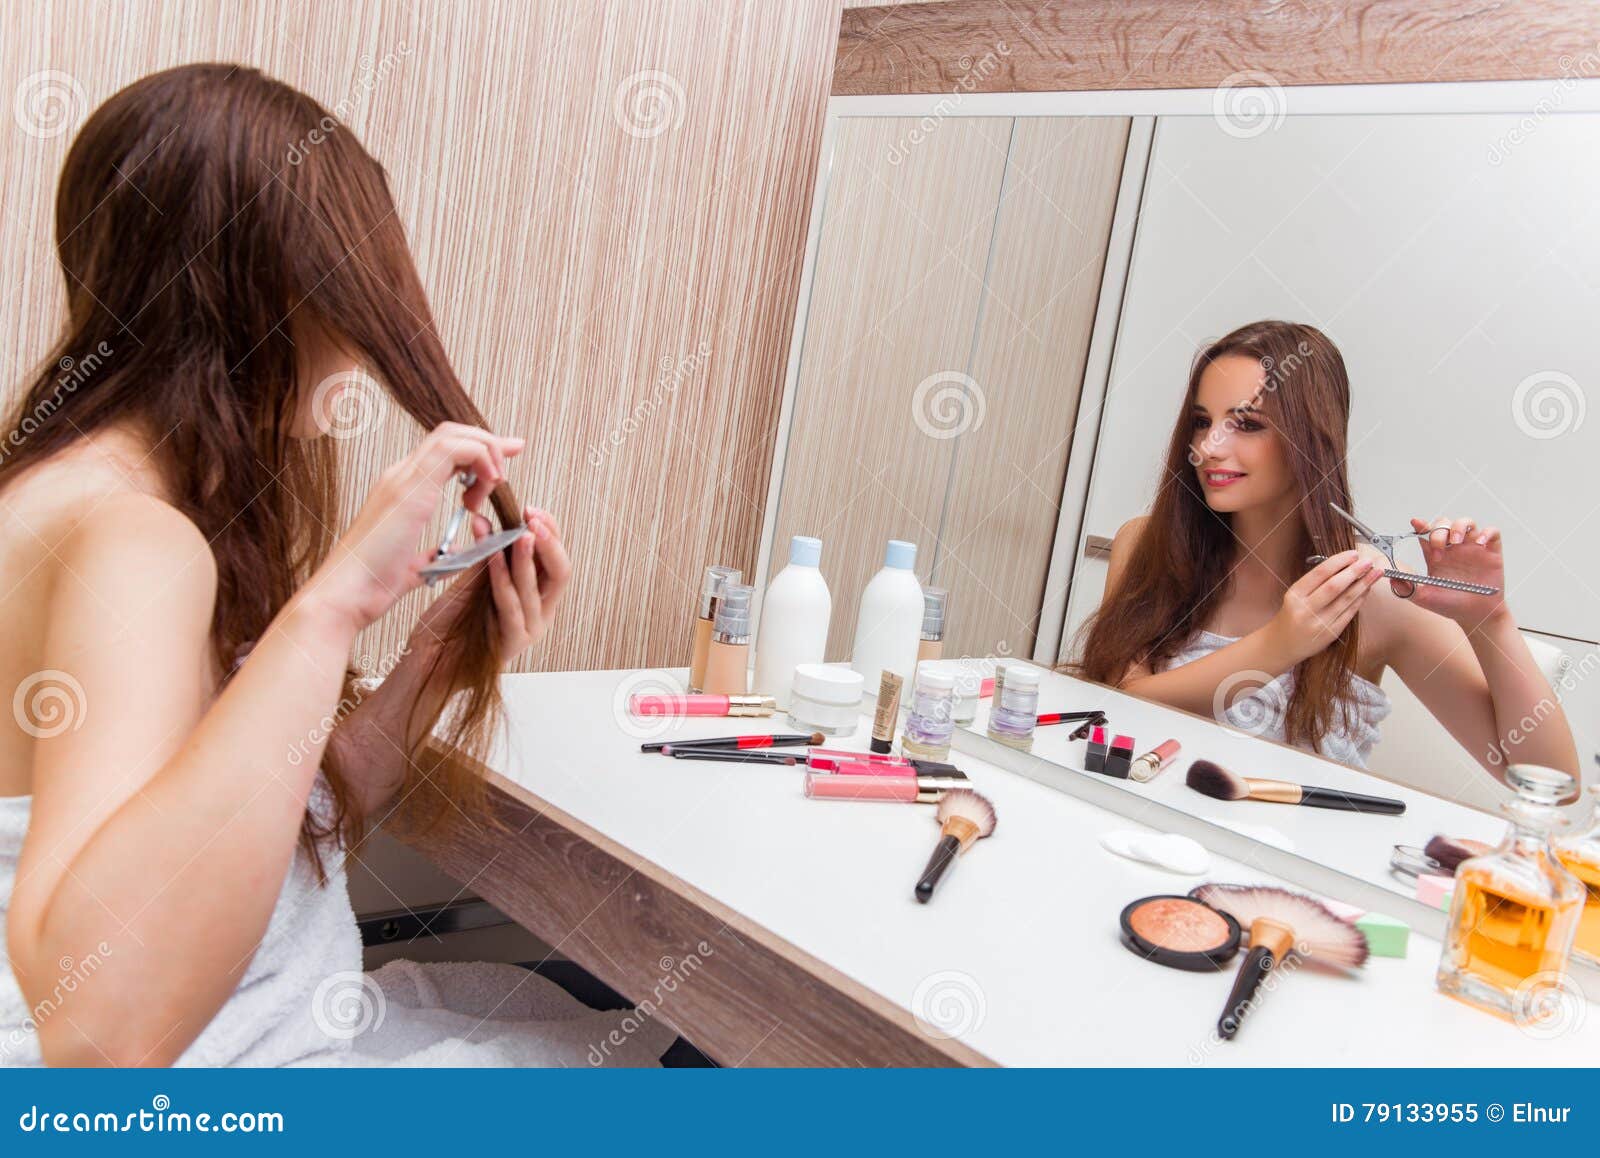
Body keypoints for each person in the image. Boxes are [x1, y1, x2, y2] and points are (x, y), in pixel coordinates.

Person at [0, 64, 675, 1067]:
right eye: (346, 298)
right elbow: (98, 1037)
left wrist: (435, 658)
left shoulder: (92, 488)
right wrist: (334, 605)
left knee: (576, 1016)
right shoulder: (133, 541)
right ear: (259, 292)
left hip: (266, 1029)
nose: (359, 354)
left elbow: (250, 831)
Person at [1072, 320, 1577, 779]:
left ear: (1312, 439)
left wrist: (1489, 620)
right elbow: (1125, 702)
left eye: (1247, 424)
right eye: (1203, 422)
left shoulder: (1371, 593)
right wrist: (1279, 646)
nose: (1208, 448)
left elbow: (1549, 780)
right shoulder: (1144, 544)